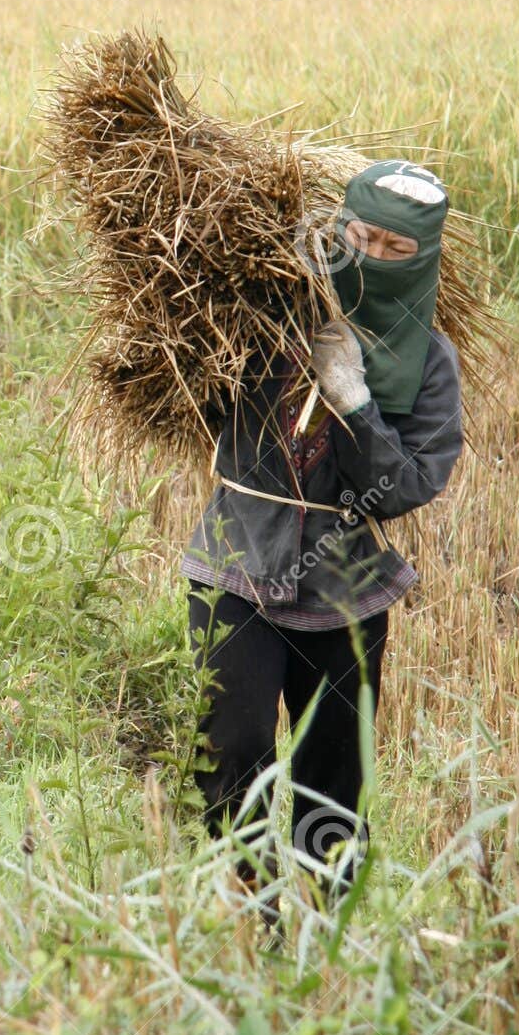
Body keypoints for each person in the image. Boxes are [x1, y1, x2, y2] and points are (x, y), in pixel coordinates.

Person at [182, 158, 463, 891]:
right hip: (235, 568)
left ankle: (334, 928)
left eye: (394, 248)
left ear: (423, 255)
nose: (371, 257)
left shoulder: (429, 363)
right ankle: (252, 916)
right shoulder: (265, 313)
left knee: (333, 776)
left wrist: (354, 399)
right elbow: (184, 373)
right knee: (232, 752)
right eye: (358, 237)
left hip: (345, 591)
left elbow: (409, 485)